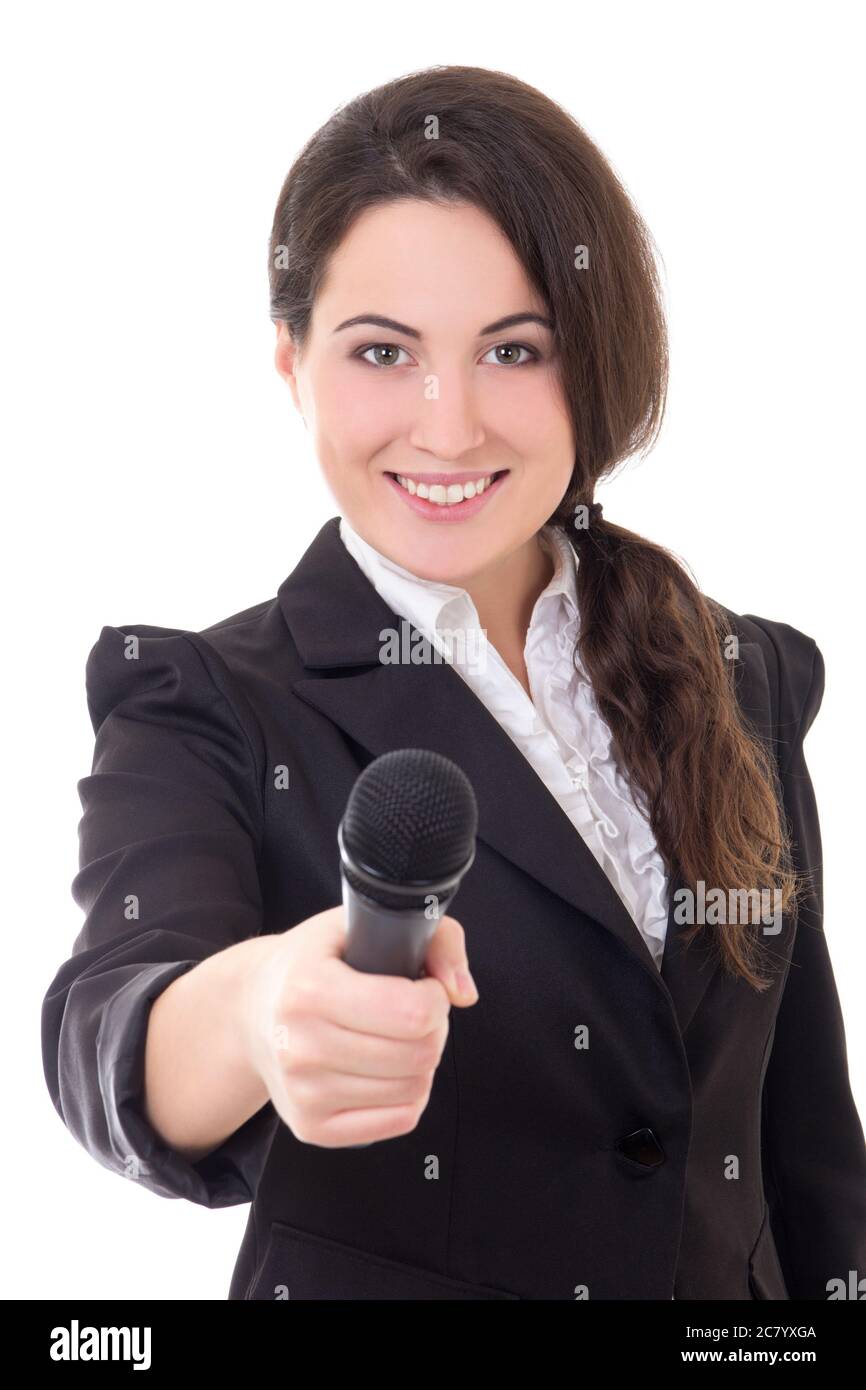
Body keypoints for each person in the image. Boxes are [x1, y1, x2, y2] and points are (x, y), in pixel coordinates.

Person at [42, 64, 866, 1301]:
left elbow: (804, 1144)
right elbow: (113, 1024)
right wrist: (264, 1006)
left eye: (511, 349)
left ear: (592, 363)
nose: (447, 425)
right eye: (382, 350)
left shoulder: (730, 669)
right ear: (292, 366)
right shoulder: (203, 700)